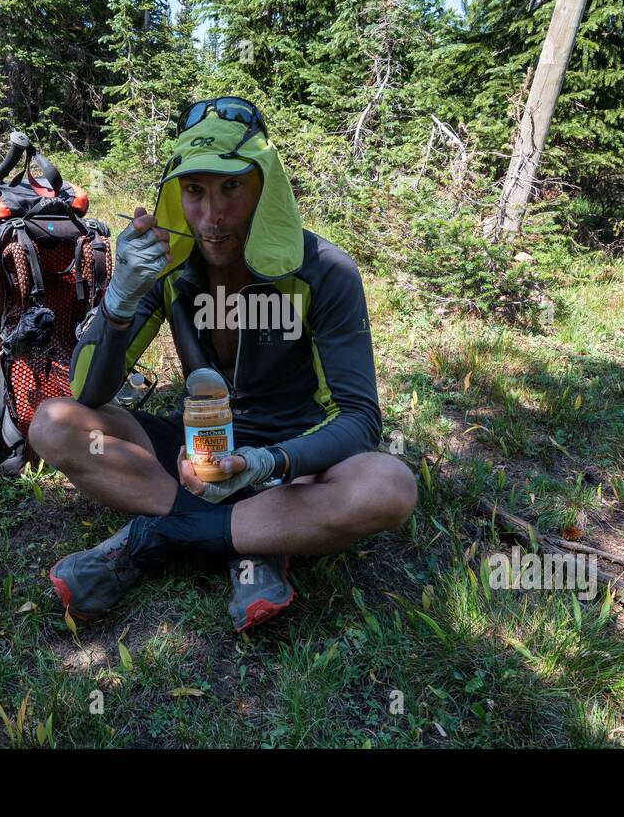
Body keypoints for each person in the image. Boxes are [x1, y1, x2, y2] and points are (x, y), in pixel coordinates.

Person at [30, 96, 417, 631]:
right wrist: (119, 299)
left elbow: (359, 418)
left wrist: (266, 463)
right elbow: (87, 394)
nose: (212, 217)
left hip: (295, 460)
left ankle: (159, 535)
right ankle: (256, 537)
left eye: (231, 188)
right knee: (53, 425)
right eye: (195, 191)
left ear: (264, 188)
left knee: (388, 487)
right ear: (177, 195)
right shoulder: (168, 266)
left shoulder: (325, 271)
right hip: (199, 450)